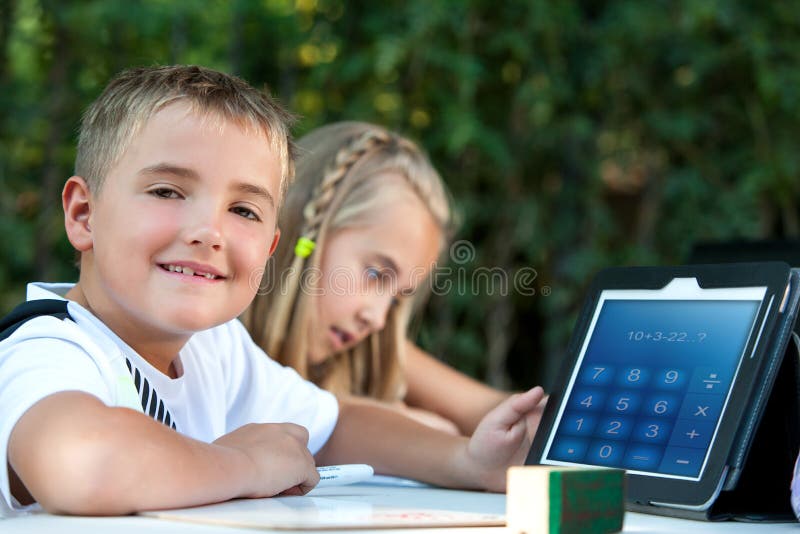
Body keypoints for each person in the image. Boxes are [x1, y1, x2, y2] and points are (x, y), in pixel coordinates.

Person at [0, 65, 545, 518]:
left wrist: (466, 462)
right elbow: (82, 462)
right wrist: (244, 465)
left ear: (269, 248)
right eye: (167, 191)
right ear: (84, 215)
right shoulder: (49, 349)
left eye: (243, 210)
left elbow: (334, 425)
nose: (209, 232)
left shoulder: (216, 348)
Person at [243, 122, 514, 436]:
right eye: (375, 275)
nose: (378, 319)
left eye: (396, 299)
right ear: (308, 231)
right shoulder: (212, 341)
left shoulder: (367, 349)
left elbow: (500, 412)